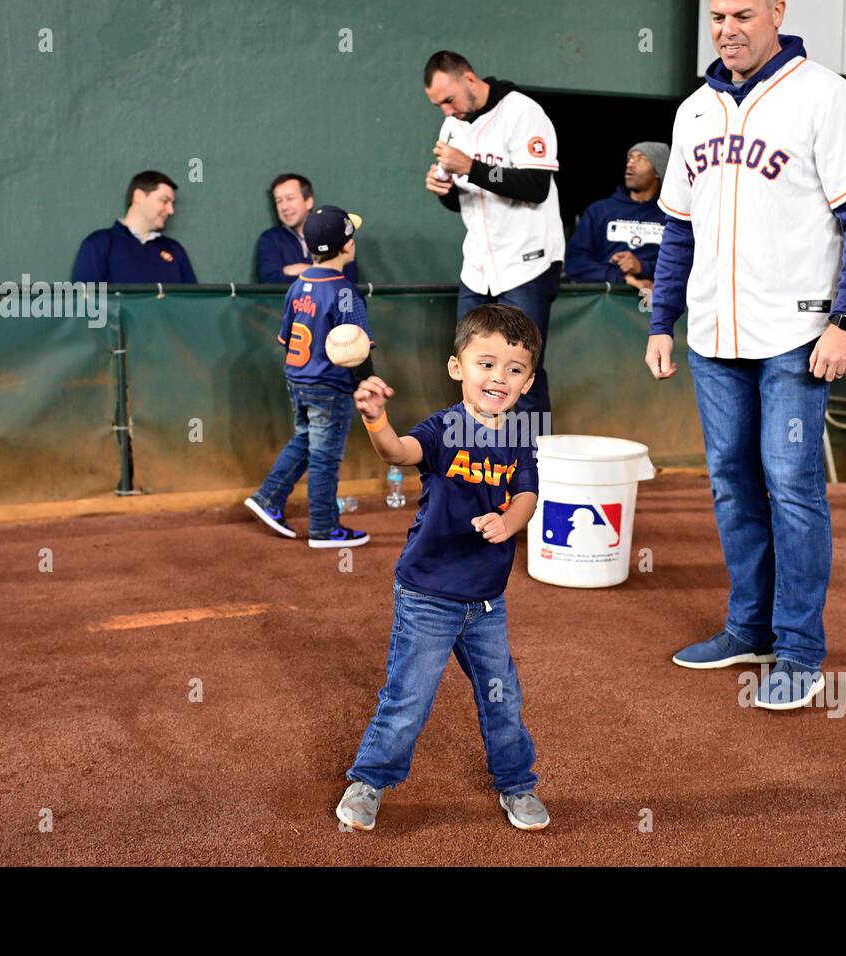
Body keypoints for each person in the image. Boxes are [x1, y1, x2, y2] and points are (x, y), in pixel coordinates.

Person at [649, 0, 846, 709]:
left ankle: (799, 650)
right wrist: (663, 320)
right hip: (714, 338)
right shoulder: (693, 111)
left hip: (797, 334)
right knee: (729, 482)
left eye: (743, 12)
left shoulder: (825, 95)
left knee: (790, 485)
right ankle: (747, 628)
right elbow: (677, 232)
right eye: (717, 14)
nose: (727, 27)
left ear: (778, 11)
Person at [335, 304, 549, 832]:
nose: (499, 377)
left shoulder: (520, 434)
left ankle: (517, 784)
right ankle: (369, 782)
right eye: (486, 363)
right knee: (409, 696)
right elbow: (397, 452)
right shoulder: (441, 429)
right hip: (428, 593)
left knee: (502, 696)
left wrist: (510, 522)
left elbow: (527, 495)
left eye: (514, 369)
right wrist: (375, 418)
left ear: (528, 382)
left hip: (486, 601)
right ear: (458, 368)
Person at [423, 50, 562, 434]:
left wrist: (470, 167)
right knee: (472, 371)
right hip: (478, 265)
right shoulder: (453, 126)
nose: (446, 111)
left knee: (520, 369)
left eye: (449, 99)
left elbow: (536, 186)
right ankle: (481, 467)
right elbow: (462, 198)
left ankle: (532, 474)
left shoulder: (522, 111)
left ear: (469, 79)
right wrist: (443, 190)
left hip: (526, 261)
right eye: (438, 105)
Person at [243, 206, 373, 548]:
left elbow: (285, 338)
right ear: (346, 247)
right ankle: (324, 527)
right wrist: (368, 382)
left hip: (297, 379)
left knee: (305, 440)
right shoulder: (344, 290)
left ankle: (269, 497)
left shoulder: (299, 284)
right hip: (329, 385)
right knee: (324, 457)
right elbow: (358, 349)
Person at [565, 143, 669, 291]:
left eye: (642, 159)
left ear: (658, 172)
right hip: (606, 305)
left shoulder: (670, 217)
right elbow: (575, 262)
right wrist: (622, 277)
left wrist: (642, 267)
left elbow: (684, 264)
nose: (631, 164)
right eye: (630, 158)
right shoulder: (599, 211)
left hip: (657, 303)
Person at [72, 170, 197, 283]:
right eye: (164, 201)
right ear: (138, 196)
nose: (171, 211)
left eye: (172, 204)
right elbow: (84, 302)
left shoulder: (175, 250)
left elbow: (192, 303)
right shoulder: (98, 244)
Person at [256, 173, 359, 284]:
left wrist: (303, 269)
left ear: (308, 202)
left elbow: (348, 278)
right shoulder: (270, 239)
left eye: (290, 198)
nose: (284, 207)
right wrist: (325, 271)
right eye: (278, 201)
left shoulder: (332, 232)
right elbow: (272, 281)